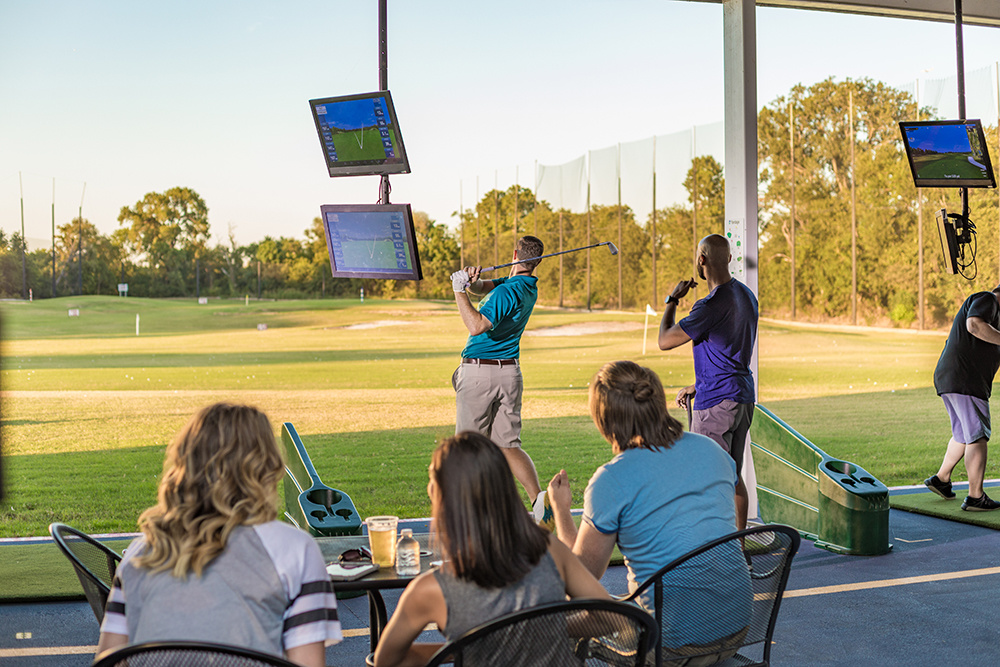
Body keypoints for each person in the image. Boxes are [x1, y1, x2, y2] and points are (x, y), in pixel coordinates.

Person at [95, 403, 341, 667]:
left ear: (185, 463)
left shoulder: (140, 553)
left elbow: (109, 659)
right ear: (267, 466)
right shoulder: (295, 549)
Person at [547, 360, 751, 653]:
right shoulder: (712, 450)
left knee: (549, 623)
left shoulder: (612, 479)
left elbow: (580, 581)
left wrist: (561, 510)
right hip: (736, 630)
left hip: (668, 646)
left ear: (605, 419)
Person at [373, 431, 610, 667]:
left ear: (437, 495)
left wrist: (463, 649)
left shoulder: (430, 590)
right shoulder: (550, 549)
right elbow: (609, 617)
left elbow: (385, 661)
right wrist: (541, 628)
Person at [657, 233, 758, 531]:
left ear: (701, 260)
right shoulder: (746, 295)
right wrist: (696, 385)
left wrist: (673, 300)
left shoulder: (709, 305)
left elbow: (665, 340)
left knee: (706, 478)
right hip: (742, 397)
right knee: (732, 476)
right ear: (729, 259)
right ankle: (737, 548)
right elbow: (727, 350)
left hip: (716, 403)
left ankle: (708, 544)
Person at [449, 235, 550, 522]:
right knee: (508, 445)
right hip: (509, 375)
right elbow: (484, 288)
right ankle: (540, 503)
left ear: (515, 254)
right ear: (537, 262)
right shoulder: (526, 286)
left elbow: (476, 325)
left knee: (467, 448)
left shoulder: (508, 291)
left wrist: (458, 291)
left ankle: (468, 515)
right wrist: (471, 282)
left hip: (481, 375)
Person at [924, 286, 1000, 511]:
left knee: (963, 434)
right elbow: (974, 325)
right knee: (978, 436)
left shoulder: (996, 321)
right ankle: (976, 497)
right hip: (967, 380)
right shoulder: (988, 299)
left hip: (951, 378)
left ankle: (941, 478)